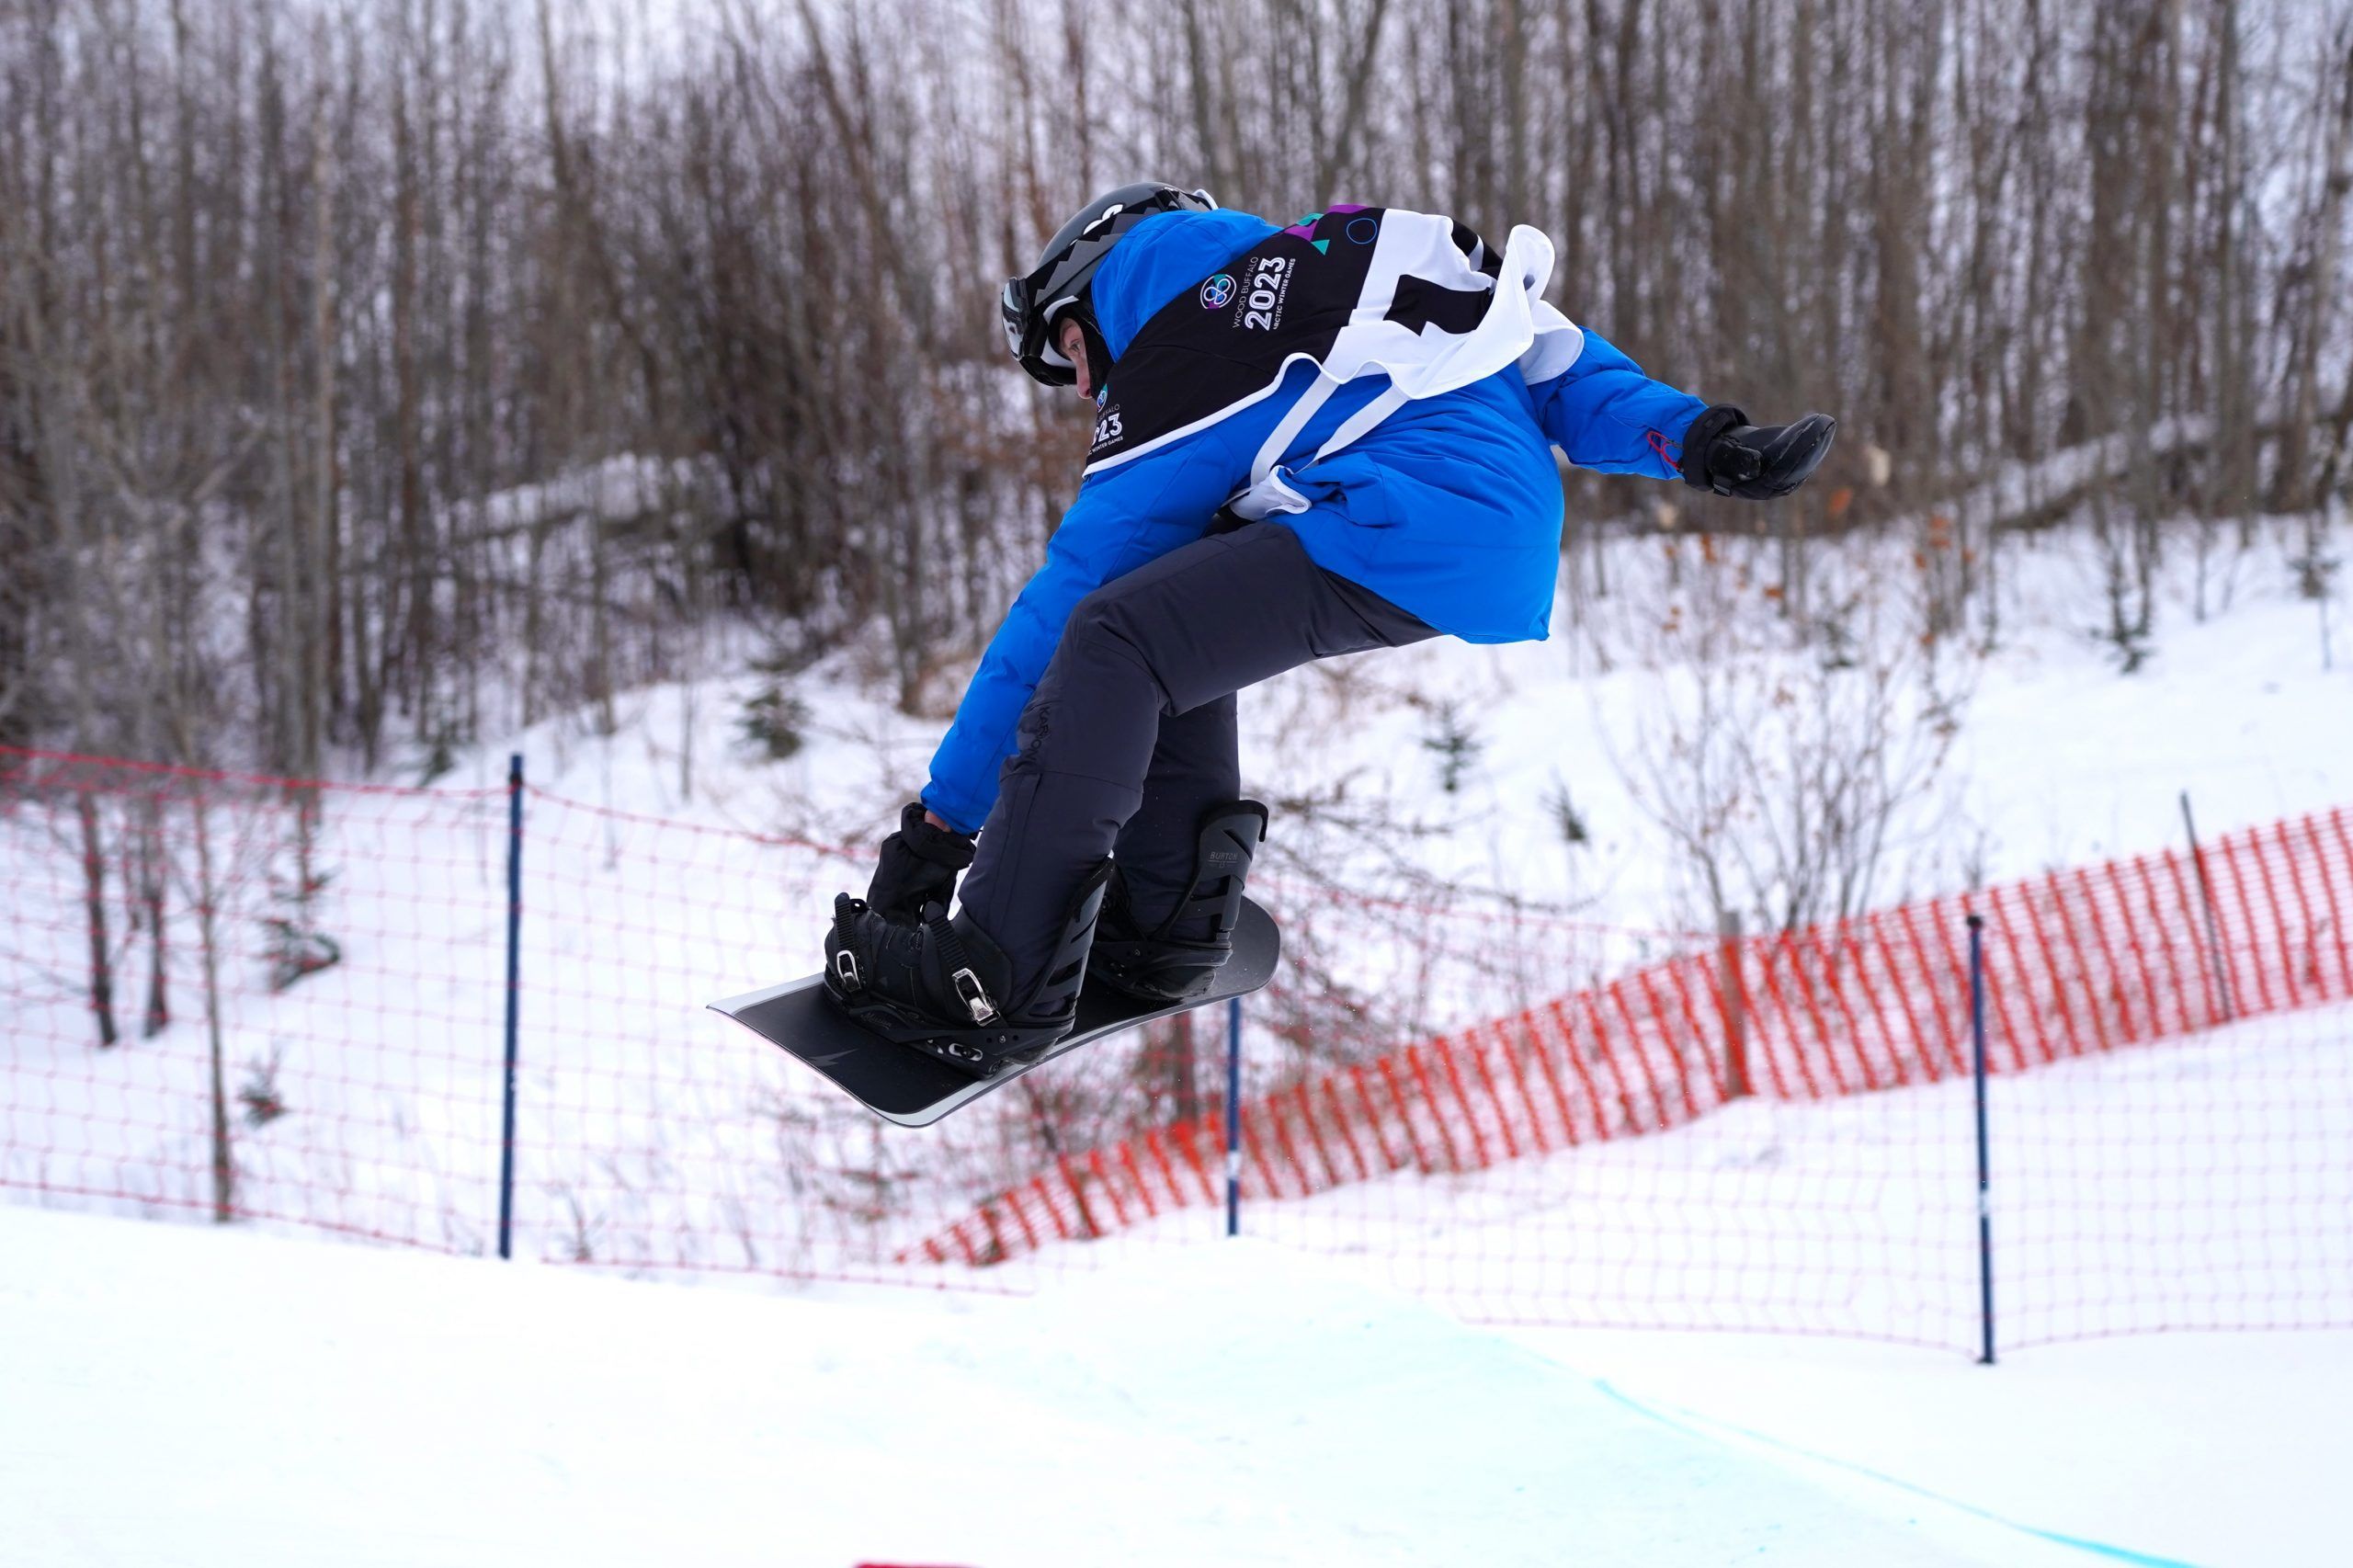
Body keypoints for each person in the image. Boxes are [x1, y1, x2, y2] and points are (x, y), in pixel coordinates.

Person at [824, 182, 1834, 1075]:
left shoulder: (1186, 351)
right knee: (1162, 611)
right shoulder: (1350, 258)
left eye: (1072, 351)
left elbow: (1055, 615)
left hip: (1399, 515)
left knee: (1107, 636)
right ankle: (1164, 924)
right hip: (1494, 531)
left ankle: (995, 976)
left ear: (1097, 288)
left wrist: (939, 831)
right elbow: (1555, 367)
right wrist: (1703, 442)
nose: (1085, 389)